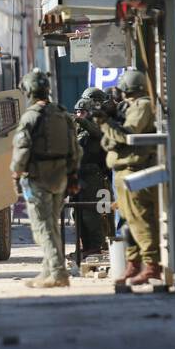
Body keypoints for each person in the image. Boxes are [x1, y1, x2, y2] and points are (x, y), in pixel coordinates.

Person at [11, 69, 79, 288]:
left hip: (37, 178)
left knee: (43, 228)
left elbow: (22, 149)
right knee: (52, 225)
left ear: (29, 91)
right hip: (60, 177)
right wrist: (73, 173)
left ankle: (59, 273)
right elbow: (75, 149)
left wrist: (16, 171)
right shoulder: (62, 114)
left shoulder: (30, 117)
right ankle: (47, 271)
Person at [95, 68, 161, 285]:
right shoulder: (129, 106)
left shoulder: (142, 106)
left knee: (140, 219)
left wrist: (106, 123)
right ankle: (133, 263)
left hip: (136, 169)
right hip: (123, 171)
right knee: (128, 222)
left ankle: (151, 265)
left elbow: (127, 134)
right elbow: (111, 140)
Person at [73, 88, 113, 261]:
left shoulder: (101, 121)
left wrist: (81, 121)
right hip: (79, 174)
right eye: (78, 111)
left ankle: (96, 247)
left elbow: (100, 134)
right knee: (78, 214)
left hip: (94, 175)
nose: (79, 114)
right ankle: (86, 246)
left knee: (92, 214)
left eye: (82, 111)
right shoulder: (80, 126)